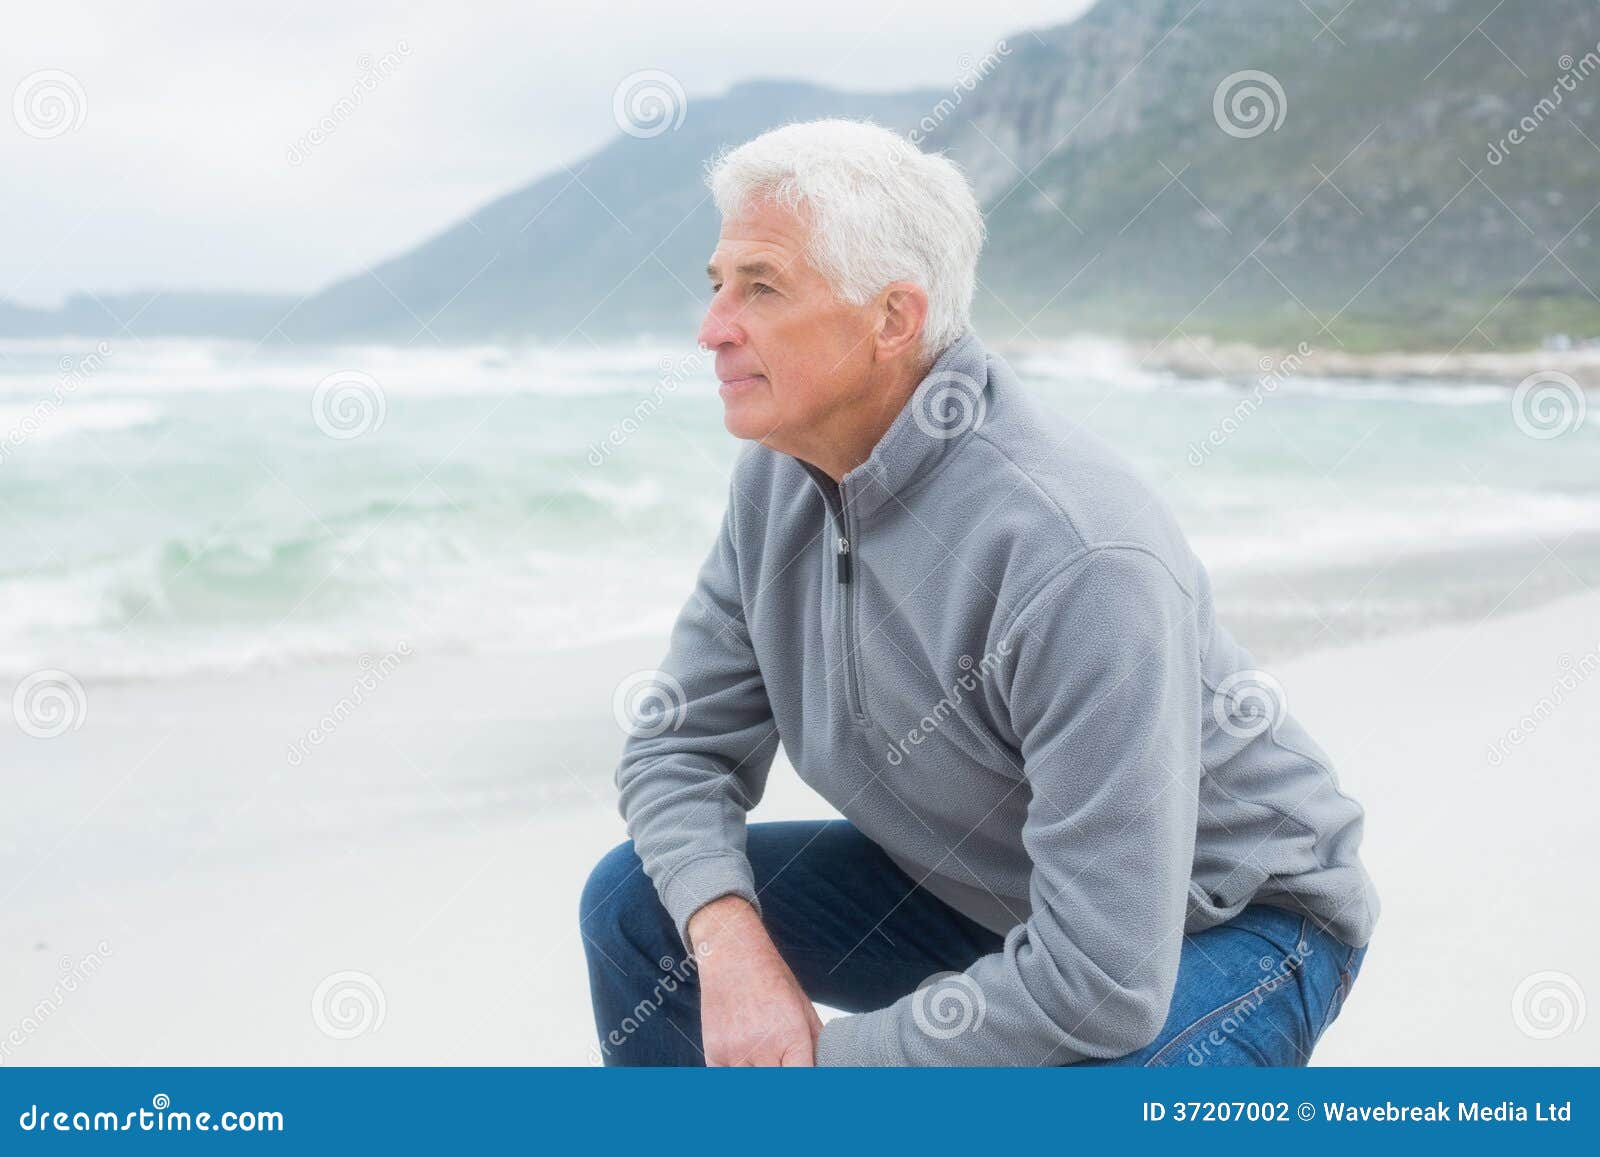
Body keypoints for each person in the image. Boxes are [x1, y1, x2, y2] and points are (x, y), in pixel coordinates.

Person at [580, 118, 1378, 1066]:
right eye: (718, 285)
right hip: (979, 894)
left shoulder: (1076, 553)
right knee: (641, 904)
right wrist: (729, 945)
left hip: (1220, 926)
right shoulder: (779, 479)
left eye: (762, 287)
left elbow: (1103, 985)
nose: (713, 328)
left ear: (893, 319)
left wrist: (824, 1071)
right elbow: (676, 747)